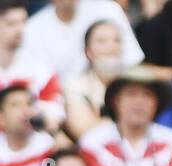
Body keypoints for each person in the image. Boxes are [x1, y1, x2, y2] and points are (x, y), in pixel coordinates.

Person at [20, 0, 143, 83]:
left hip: (118, 88)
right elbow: (40, 83)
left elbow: (132, 61)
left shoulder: (108, 8)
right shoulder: (32, 29)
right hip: (62, 105)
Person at [0, 0, 64, 131]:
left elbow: (56, 113)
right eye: (10, 23)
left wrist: (36, 114)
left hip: (31, 139)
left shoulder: (40, 69)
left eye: (23, 22)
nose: (19, 29)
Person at [62, 19, 129, 140]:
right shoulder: (76, 86)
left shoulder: (134, 83)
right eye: (102, 41)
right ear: (88, 52)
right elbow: (83, 131)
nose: (111, 47)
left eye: (117, 40)